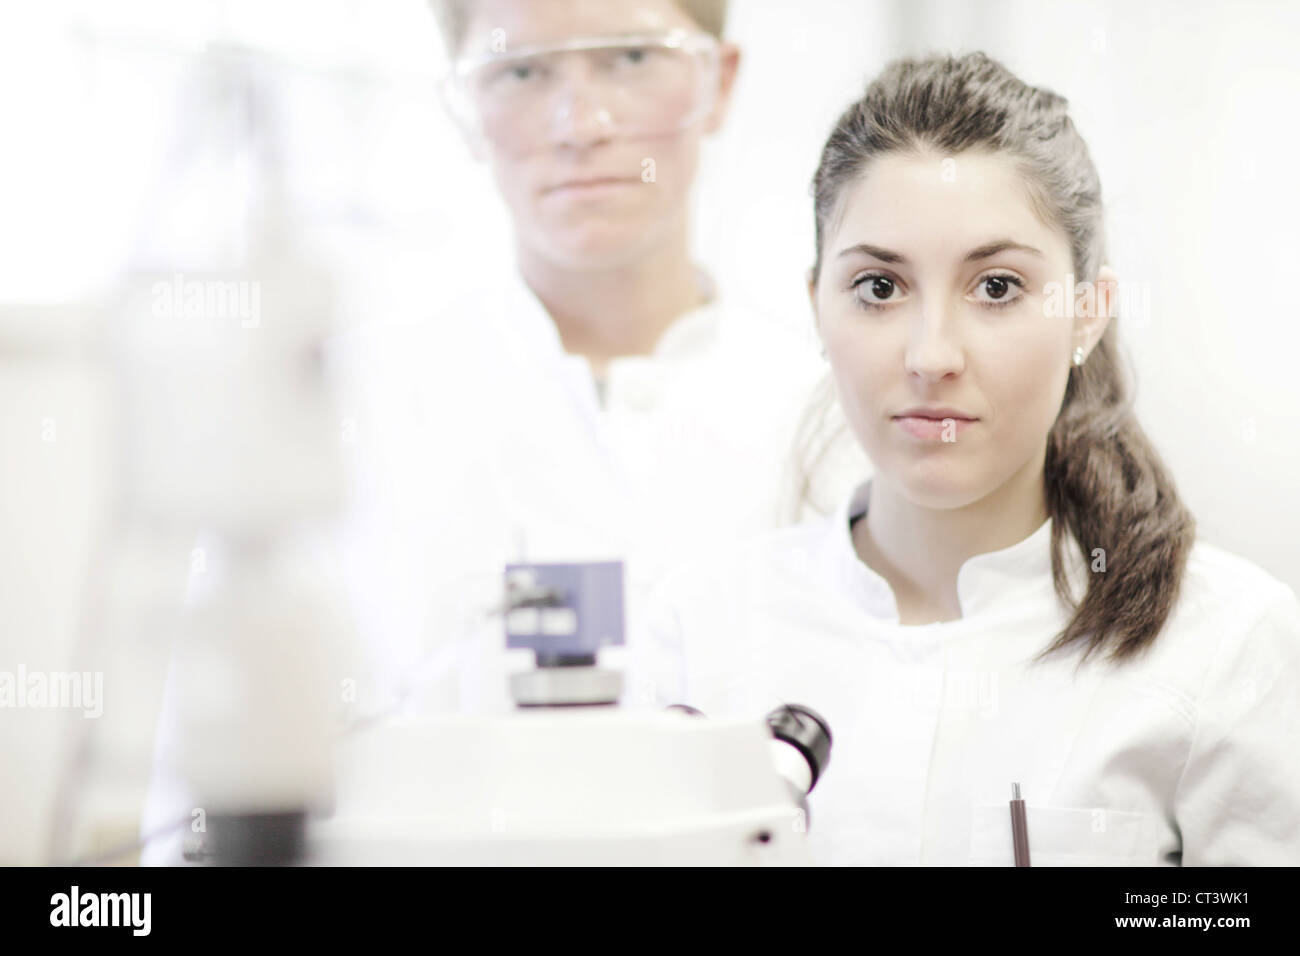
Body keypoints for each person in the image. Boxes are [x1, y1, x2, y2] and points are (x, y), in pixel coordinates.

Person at [139, 0, 861, 863]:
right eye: (520, 71)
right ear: (463, 107)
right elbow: (196, 823)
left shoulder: (838, 417)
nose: (579, 124)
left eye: (630, 57)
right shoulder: (334, 412)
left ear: (720, 82)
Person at [628, 50, 1300, 866]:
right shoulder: (702, 634)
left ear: (1087, 312)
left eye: (996, 288)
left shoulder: (1228, 645)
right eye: (879, 287)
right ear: (817, 306)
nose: (931, 355)